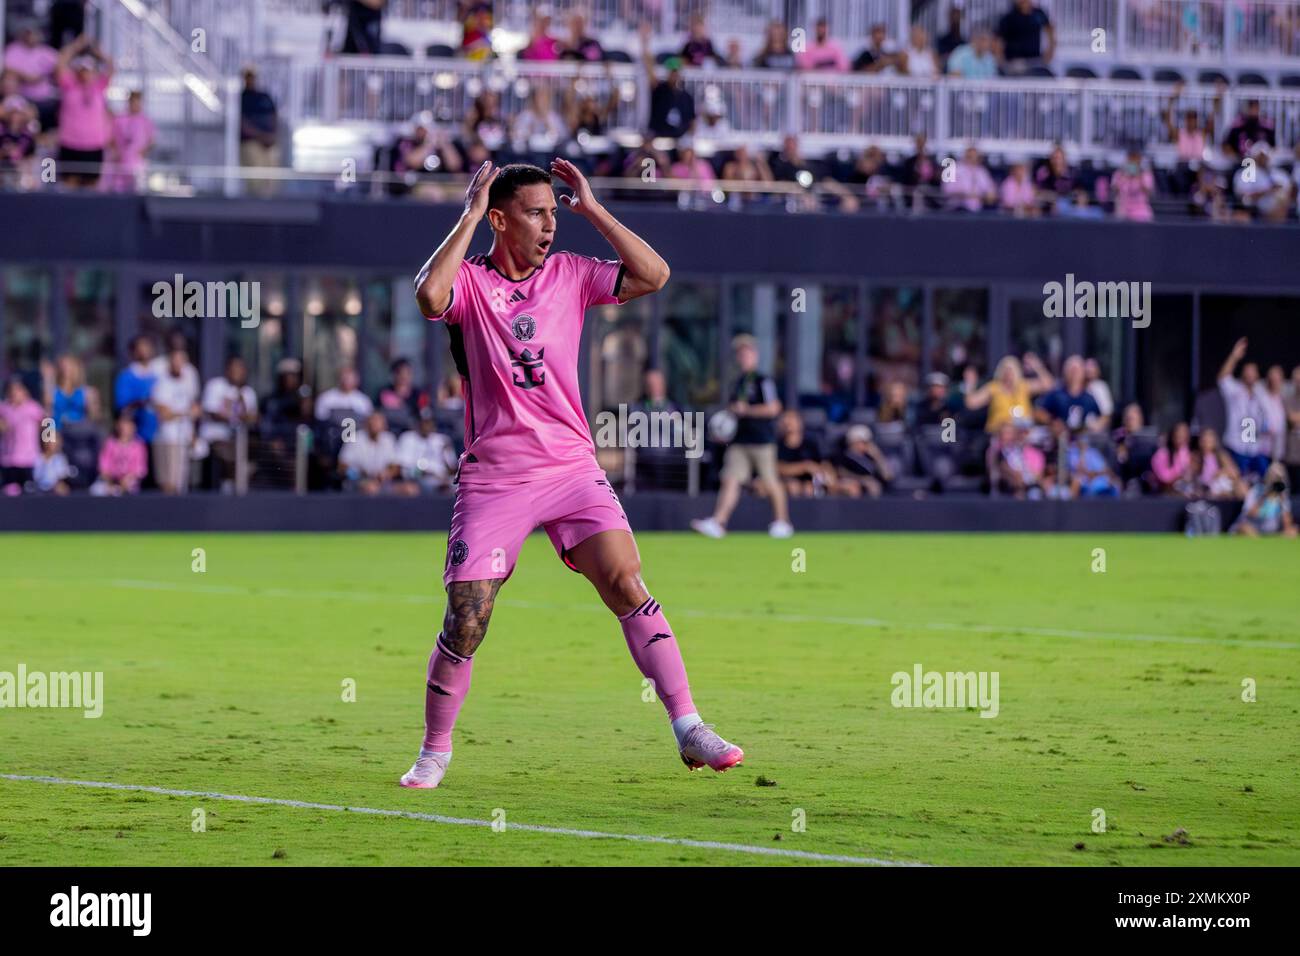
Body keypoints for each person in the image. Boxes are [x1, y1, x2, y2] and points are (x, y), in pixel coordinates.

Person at [408, 158, 742, 787]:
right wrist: (470, 212)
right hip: (497, 477)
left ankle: (689, 726)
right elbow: (429, 295)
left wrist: (592, 208)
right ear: (500, 220)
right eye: (537, 213)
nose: (550, 226)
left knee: (624, 579)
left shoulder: (571, 275)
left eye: (554, 213)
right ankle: (436, 749)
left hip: (570, 467)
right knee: (467, 616)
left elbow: (654, 274)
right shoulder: (473, 285)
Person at [691, 334, 793, 539]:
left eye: (746, 353)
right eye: (740, 354)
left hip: (762, 439)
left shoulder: (763, 380)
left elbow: (774, 408)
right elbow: (733, 410)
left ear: (755, 355)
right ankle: (719, 522)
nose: (743, 357)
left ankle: (782, 522)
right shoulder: (738, 383)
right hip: (740, 440)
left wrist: (747, 410)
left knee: (770, 480)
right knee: (730, 479)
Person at [55, 34, 113, 188]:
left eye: (89, 70)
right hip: (70, 142)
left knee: (92, 185)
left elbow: (112, 67)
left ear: (94, 72)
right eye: (82, 70)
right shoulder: (69, 86)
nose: (85, 73)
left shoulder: (99, 87)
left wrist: (99, 52)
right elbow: (60, 63)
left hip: (94, 144)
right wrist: (76, 46)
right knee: (68, 184)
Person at [1218, 337, 1274, 480]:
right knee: (1237, 482)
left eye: (1253, 371)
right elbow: (1222, 378)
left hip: (1255, 449)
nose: (1250, 374)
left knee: (1266, 479)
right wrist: (1234, 356)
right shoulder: (1235, 390)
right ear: (1242, 373)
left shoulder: (1260, 395)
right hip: (1236, 447)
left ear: (1257, 375)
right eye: (1247, 371)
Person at [200, 356, 259, 491]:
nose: (237, 372)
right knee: (229, 453)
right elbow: (213, 412)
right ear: (227, 370)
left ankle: (234, 485)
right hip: (216, 438)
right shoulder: (215, 385)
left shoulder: (248, 392)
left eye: (240, 369)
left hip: (238, 440)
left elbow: (252, 417)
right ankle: (228, 485)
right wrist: (235, 416)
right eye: (234, 369)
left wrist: (241, 412)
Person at [151, 346, 200, 494]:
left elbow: (195, 409)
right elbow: (164, 414)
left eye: (181, 361)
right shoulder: (161, 384)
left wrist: (192, 433)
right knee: (168, 482)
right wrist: (186, 413)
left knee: (182, 481)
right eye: (175, 360)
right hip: (167, 438)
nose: (178, 364)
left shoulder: (189, 382)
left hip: (183, 438)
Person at [965, 353, 1055, 432]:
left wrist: (1037, 366)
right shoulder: (994, 388)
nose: (1009, 374)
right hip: (999, 433)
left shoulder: (1023, 386)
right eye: (1006, 370)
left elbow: (1048, 385)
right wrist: (970, 384)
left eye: (1011, 370)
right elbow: (972, 403)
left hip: (1023, 433)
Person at [0, 377, 45, 494]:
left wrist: (48, 443)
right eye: (11, 390)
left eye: (18, 390)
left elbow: (47, 422)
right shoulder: (4, 408)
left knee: (29, 490)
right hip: (8, 459)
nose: (14, 393)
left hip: (29, 459)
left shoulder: (33, 408)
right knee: (10, 490)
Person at [103, 90, 155, 193]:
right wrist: (115, 152)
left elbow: (151, 141)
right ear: (129, 102)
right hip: (120, 164)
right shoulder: (119, 119)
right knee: (117, 191)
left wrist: (143, 152)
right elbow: (110, 138)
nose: (136, 105)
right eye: (133, 102)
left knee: (139, 191)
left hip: (137, 164)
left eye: (138, 102)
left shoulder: (145, 121)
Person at [239, 67, 280, 198]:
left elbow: (274, 116)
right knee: (255, 173)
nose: (251, 79)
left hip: (269, 141)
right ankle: (254, 200)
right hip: (251, 142)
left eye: (252, 76)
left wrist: (271, 135)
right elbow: (241, 122)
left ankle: (270, 199)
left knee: (272, 171)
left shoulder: (264, 96)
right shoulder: (241, 98)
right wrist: (259, 135)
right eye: (248, 76)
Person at [1039, 354, 1106, 432]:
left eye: (1077, 370)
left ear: (1083, 372)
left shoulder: (1089, 398)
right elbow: (1040, 412)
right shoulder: (1056, 394)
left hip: (1082, 439)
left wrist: (1095, 426)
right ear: (1065, 372)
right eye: (1071, 370)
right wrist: (1052, 421)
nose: (1074, 374)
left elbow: (1102, 417)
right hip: (1059, 437)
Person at [1230, 463, 1296, 537]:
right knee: (1246, 529)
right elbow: (1250, 513)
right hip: (1252, 528)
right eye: (1273, 477)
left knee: (1292, 532)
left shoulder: (1282, 496)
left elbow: (1287, 523)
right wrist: (1265, 496)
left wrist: (1281, 500)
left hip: (1272, 532)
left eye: (1278, 478)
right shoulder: (1256, 490)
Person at [91, 413, 148, 495]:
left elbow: (140, 469)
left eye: (127, 425)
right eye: (121, 424)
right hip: (111, 480)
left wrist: (128, 478)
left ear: (133, 427)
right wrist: (108, 478)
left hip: (129, 481)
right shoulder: (110, 443)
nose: (123, 428)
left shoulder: (139, 445)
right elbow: (103, 464)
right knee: (97, 489)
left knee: (130, 486)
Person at [836, 423, 894, 498]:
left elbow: (888, 476)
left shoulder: (871, 457)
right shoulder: (845, 456)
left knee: (875, 487)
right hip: (855, 489)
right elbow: (841, 473)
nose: (867, 445)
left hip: (876, 493)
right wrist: (863, 480)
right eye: (863, 442)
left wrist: (878, 456)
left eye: (867, 442)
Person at [996, 0, 1055, 73]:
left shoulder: (1039, 13)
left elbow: (1050, 30)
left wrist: (1050, 51)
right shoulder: (1009, 17)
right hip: (1015, 63)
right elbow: (998, 41)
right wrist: (1002, 62)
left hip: (1035, 61)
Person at [1190, 427, 1246, 500]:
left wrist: (1220, 473)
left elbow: (1235, 473)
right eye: (1204, 440)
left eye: (1209, 440)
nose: (1206, 443)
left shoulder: (1221, 455)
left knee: (1240, 485)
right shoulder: (1196, 456)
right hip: (1205, 486)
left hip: (1220, 484)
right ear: (1200, 442)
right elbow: (1194, 475)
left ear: (1214, 441)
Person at [1151, 422, 1193, 495]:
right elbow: (1164, 478)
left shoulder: (1187, 453)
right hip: (1166, 494)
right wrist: (1178, 476)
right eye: (1178, 432)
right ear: (1172, 435)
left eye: (1184, 433)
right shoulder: (1161, 454)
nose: (1181, 435)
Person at [33, 431, 73, 495]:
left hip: (54, 492)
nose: (51, 444)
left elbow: (62, 476)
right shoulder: (38, 458)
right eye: (49, 441)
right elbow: (36, 476)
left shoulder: (60, 459)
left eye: (54, 441)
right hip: (38, 490)